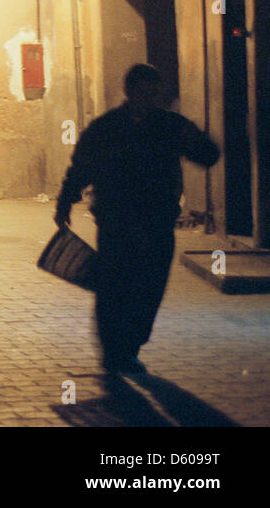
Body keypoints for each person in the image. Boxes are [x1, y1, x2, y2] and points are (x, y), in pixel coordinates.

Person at [54, 63, 219, 375]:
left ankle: (130, 345)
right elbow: (80, 167)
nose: (149, 99)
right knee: (113, 286)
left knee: (150, 287)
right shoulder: (107, 128)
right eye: (144, 93)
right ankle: (113, 351)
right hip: (116, 221)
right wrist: (64, 203)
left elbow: (208, 156)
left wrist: (195, 138)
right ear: (128, 92)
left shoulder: (169, 125)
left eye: (154, 94)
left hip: (157, 221)